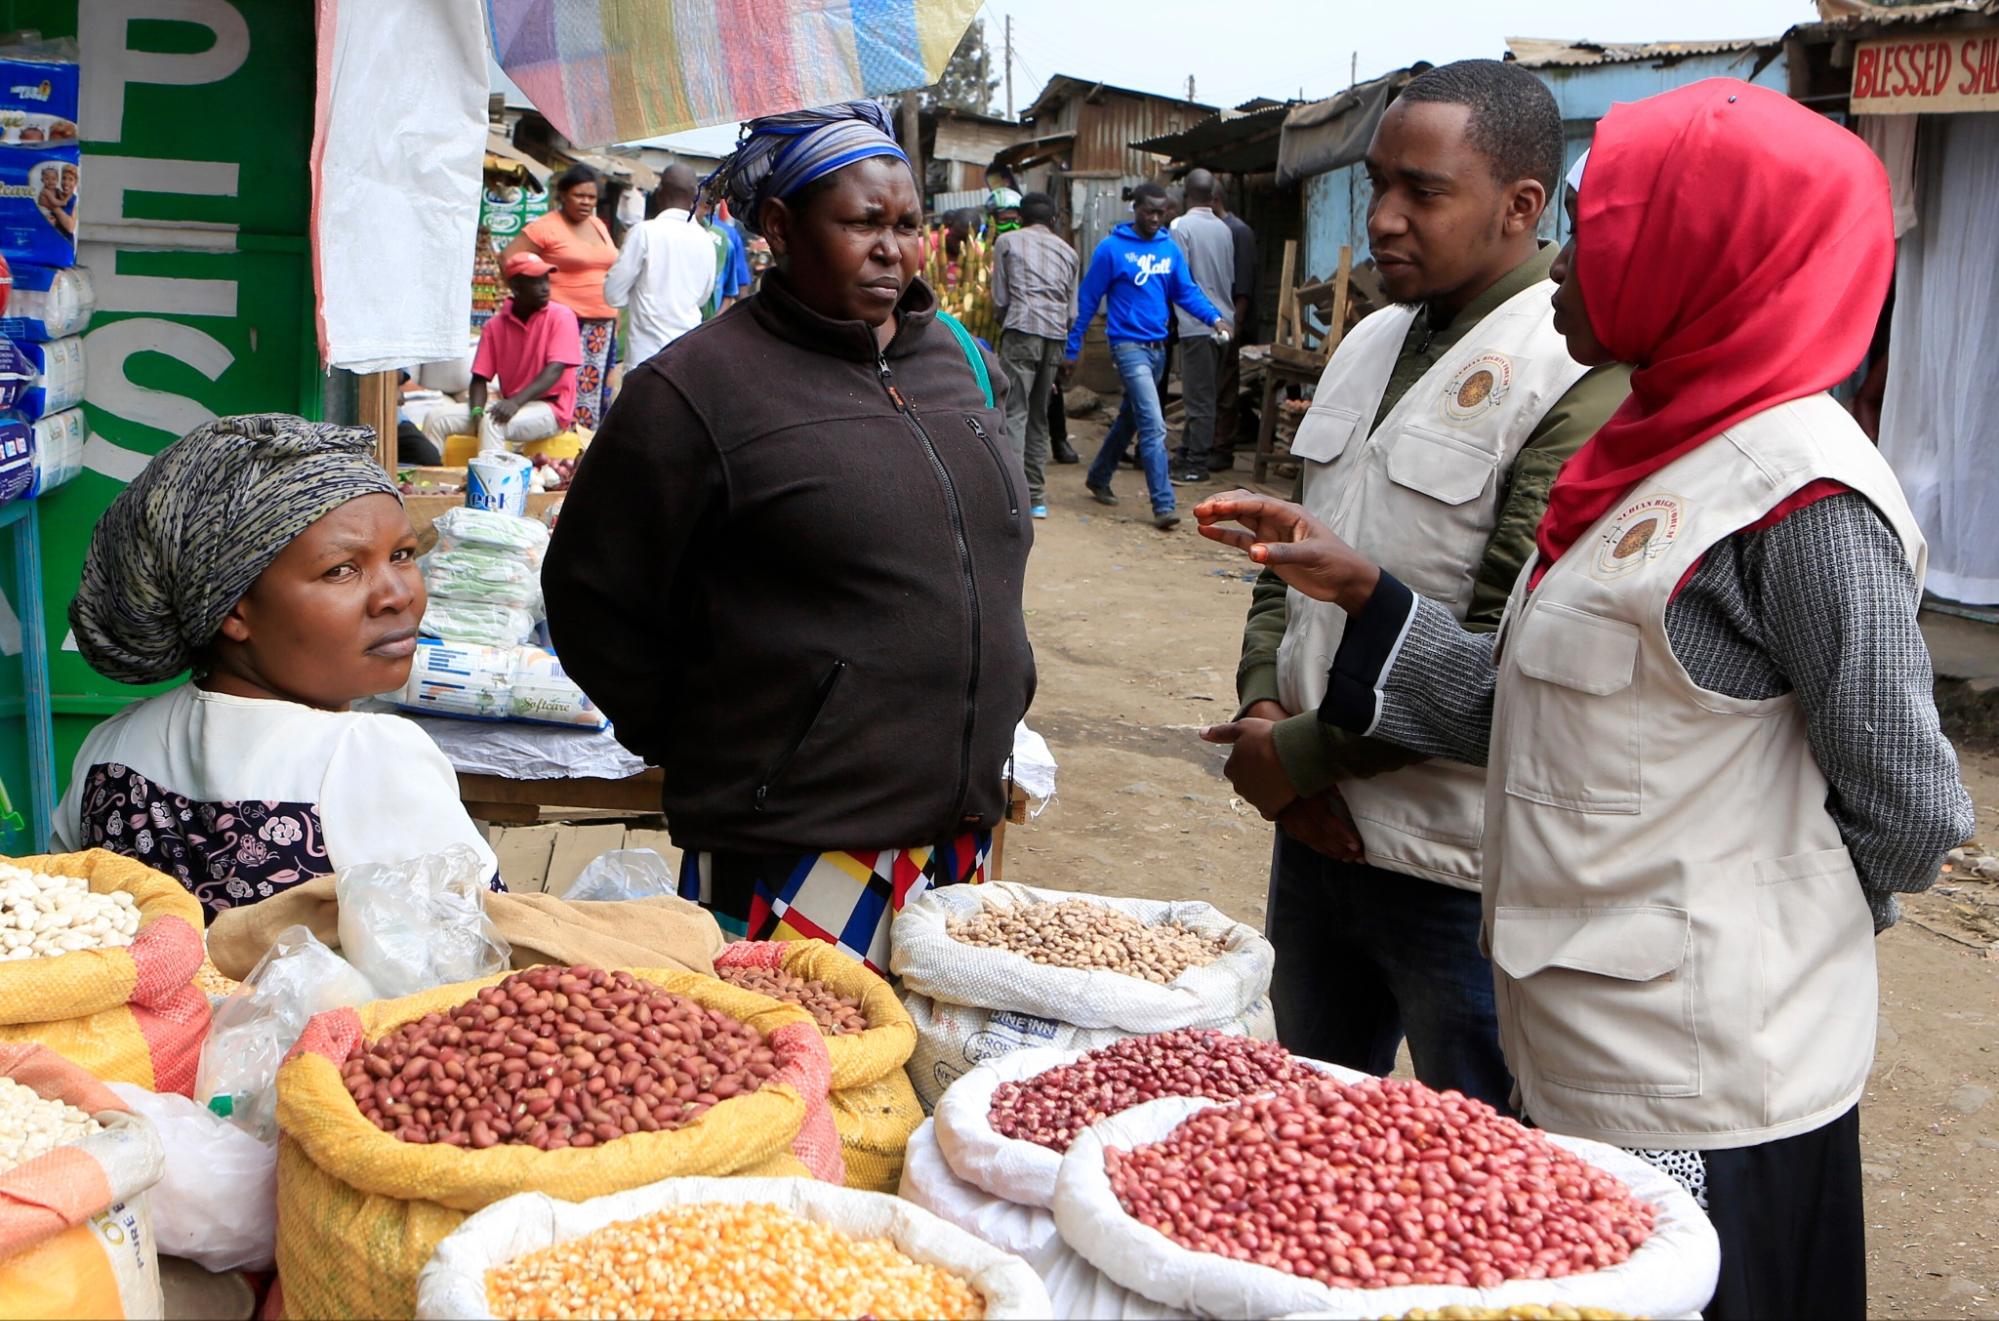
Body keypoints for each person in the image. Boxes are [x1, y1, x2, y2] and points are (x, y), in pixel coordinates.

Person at [1194, 80, 1973, 1320]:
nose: (1567, 256)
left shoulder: (1802, 498)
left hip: (1703, 1079)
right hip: (1579, 1037)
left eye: (1599, 226)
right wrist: (1364, 589)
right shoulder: (1659, 449)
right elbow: (1527, 705)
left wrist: (1765, 933)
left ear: (1698, 254)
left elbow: (1909, 810)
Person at [1204, 60, 1631, 1113]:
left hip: (1456, 870)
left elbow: (1504, 648)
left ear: (1521, 205)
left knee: (1477, 1164)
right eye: (1378, 183)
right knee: (1308, 1129)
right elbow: (1290, 562)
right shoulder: (1370, 339)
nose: (1385, 218)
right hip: (1314, 840)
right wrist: (1268, 713)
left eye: (1423, 193)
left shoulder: (1574, 372)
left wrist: (1291, 761)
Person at [543, 102, 1033, 974]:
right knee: (803, 1081)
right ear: (779, 226)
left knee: (920, 1086)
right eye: (861, 223)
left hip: (958, 831)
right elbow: (592, 596)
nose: (894, 247)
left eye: (908, 224)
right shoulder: (695, 390)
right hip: (797, 840)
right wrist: (718, 745)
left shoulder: (955, 363)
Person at [57, 414, 499, 921]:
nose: (398, 594)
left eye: (402, 554)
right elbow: (491, 950)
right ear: (233, 610)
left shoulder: (110, 752)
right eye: (341, 570)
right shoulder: (368, 757)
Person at [1067, 181, 1232, 531]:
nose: (1156, 217)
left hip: (1158, 351)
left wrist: (1214, 318)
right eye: (1149, 211)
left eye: (1162, 212)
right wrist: (1072, 347)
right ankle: (1163, 503)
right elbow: (1087, 300)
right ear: (1136, 209)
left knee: (1131, 417)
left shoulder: (1169, 249)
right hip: (1127, 347)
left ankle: (1098, 476)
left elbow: (1185, 291)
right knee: (1153, 425)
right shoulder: (1111, 249)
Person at [422, 252, 581, 454]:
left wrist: (514, 403)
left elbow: (555, 369)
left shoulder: (561, 316)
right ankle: (432, 484)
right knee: (436, 418)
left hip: (551, 410)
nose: (545, 287)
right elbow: (479, 378)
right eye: (535, 281)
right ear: (515, 287)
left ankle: (490, 486)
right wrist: (477, 412)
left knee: (493, 422)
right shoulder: (495, 326)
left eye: (545, 279)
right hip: (511, 406)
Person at [505, 163, 618, 429]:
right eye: (579, 195)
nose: (586, 202)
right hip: (563, 322)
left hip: (602, 324)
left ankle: (582, 452)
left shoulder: (598, 225)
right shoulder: (545, 227)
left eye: (591, 197)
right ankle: (554, 450)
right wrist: (527, 301)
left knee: (594, 390)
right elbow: (510, 260)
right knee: (561, 388)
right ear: (563, 195)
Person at [991, 191, 1078, 520]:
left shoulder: (1007, 242)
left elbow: (1000, 298)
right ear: (1053, 219)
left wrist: (1007, 324)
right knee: (1040, 415)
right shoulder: (1068, 251)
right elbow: (1073, 311)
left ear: (1021, 216)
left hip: (1021, 329)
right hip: (1055, 336)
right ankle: (1036, 497)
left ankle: (1013, 497)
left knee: (1015, 411)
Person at [602, 164, 720, 365]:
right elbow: (702, 298)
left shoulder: (644, 233)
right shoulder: (706, 240)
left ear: (660, 193)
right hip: (686, 353)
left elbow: (613, 294)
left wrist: (640, 296)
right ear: (695, 196)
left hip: (645, 356)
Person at [1167, 169, 1236, 485]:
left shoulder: (1180, 227)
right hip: (1225, 321)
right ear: (1212, 196)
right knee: (1205, 395)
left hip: (1198, 323)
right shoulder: (1224, 229)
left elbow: (1177, 280)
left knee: (1199, 399)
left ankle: (1197, 463)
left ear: (1186, 194)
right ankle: (1186, 454)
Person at [1213, 181, 1259, 470]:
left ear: (1214, 199)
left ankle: (1222, 449)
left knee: (1227, 387)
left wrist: (1235, 322)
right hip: (1216, 321)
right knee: (1215, 387)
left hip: (1231, 321)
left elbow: (1243, 284)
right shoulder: (1218, 230)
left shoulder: (1238, 231)